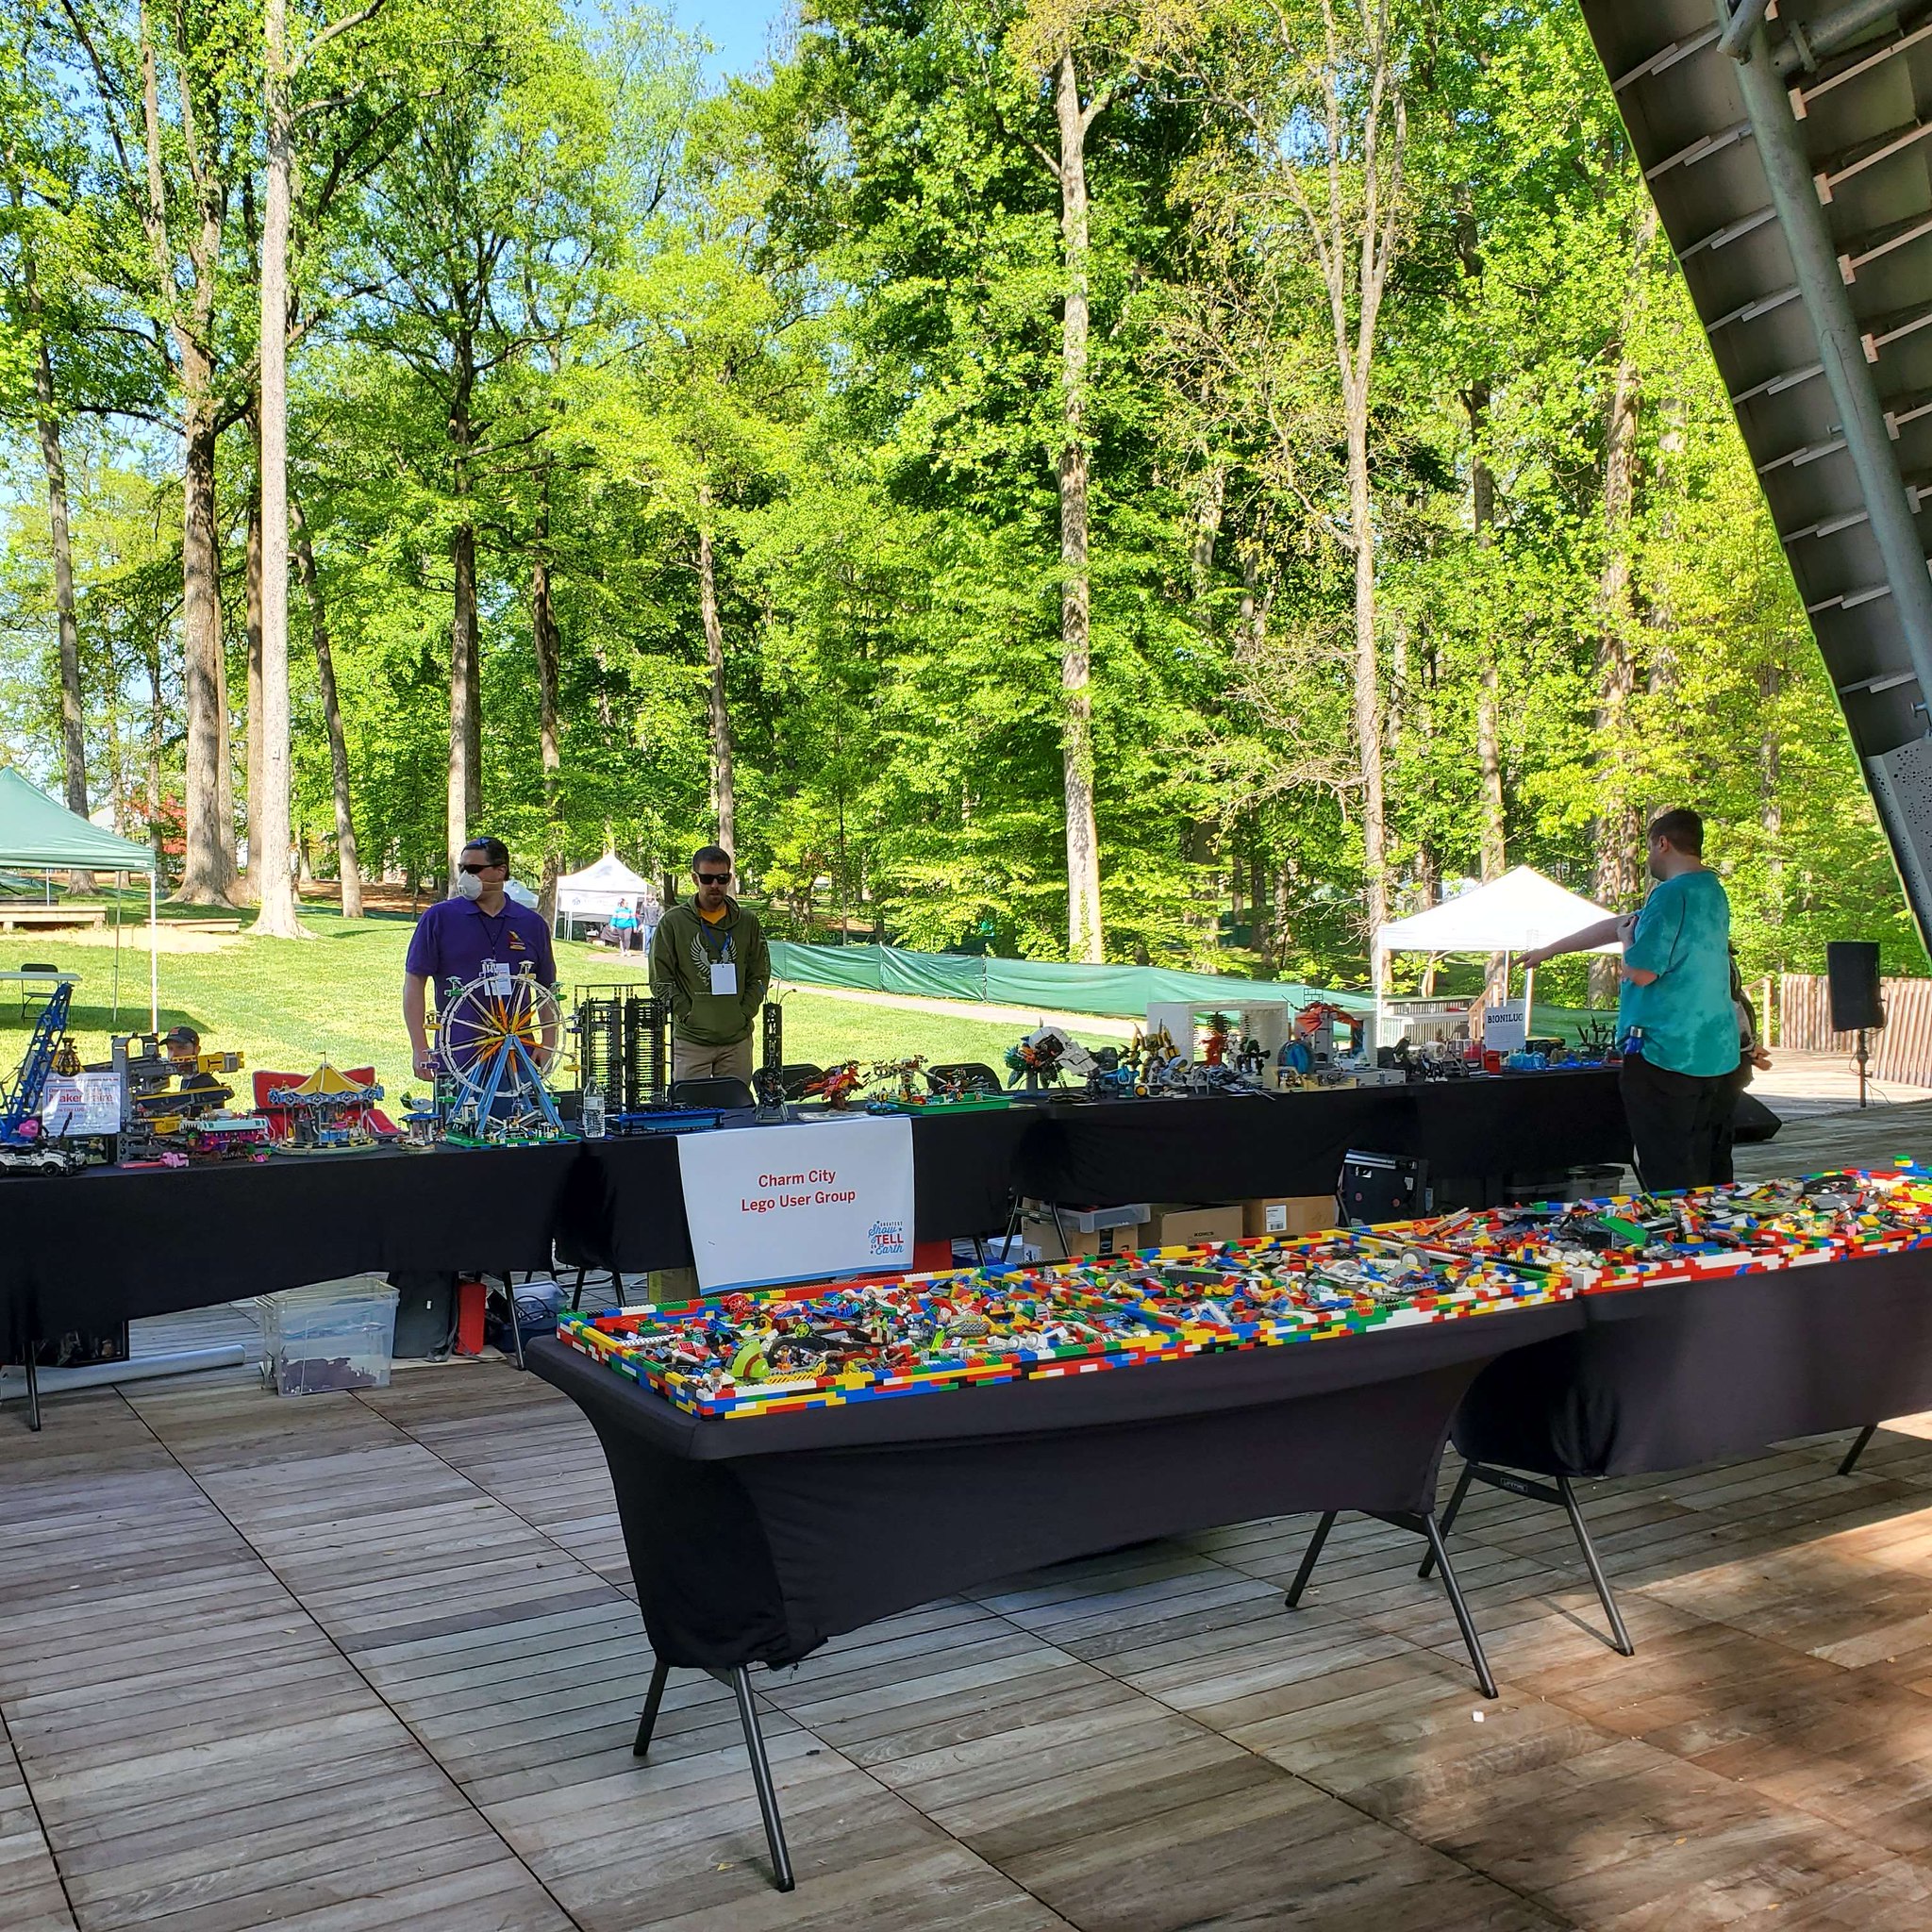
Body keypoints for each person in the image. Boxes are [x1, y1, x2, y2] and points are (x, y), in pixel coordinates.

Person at [1522, 808, 1736, 1191]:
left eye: (1649, 848)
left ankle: (1676, 1240)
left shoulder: (1670, 894)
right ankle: (1711, 1239)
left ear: (1662, 843)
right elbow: (1620, 922)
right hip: (1714, 1052)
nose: (1649, 858)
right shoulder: (1711, 890)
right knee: (1706, 1164)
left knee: (1667, 1167)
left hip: (1665, 1052)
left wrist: (1626, 943)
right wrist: (1551, 949)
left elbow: (1640, 970)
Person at [403, 836, 558, 1083]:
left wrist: (549, 1042)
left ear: (500, 871)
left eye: (474, 869)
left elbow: (545, 989)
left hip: (518, 1056)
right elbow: (414, 981)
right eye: (462, 869)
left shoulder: (531, 924)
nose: (466, 876)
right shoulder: (439, 918)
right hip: (457, 1056)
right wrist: (419, 1047)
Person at [649, 845, 770, 1086]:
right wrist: (686, 1013)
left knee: (737, 1114)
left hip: (737, 1040)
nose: (715, 884)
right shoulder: (673, 922)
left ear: (729, 878)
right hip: (692, 1040)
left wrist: (744, 1012)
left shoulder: (747, 922)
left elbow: (760, 972)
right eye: (707, 878)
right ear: (695, 878)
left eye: (722, 878)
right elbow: (660, 977)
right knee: (693, 1114)